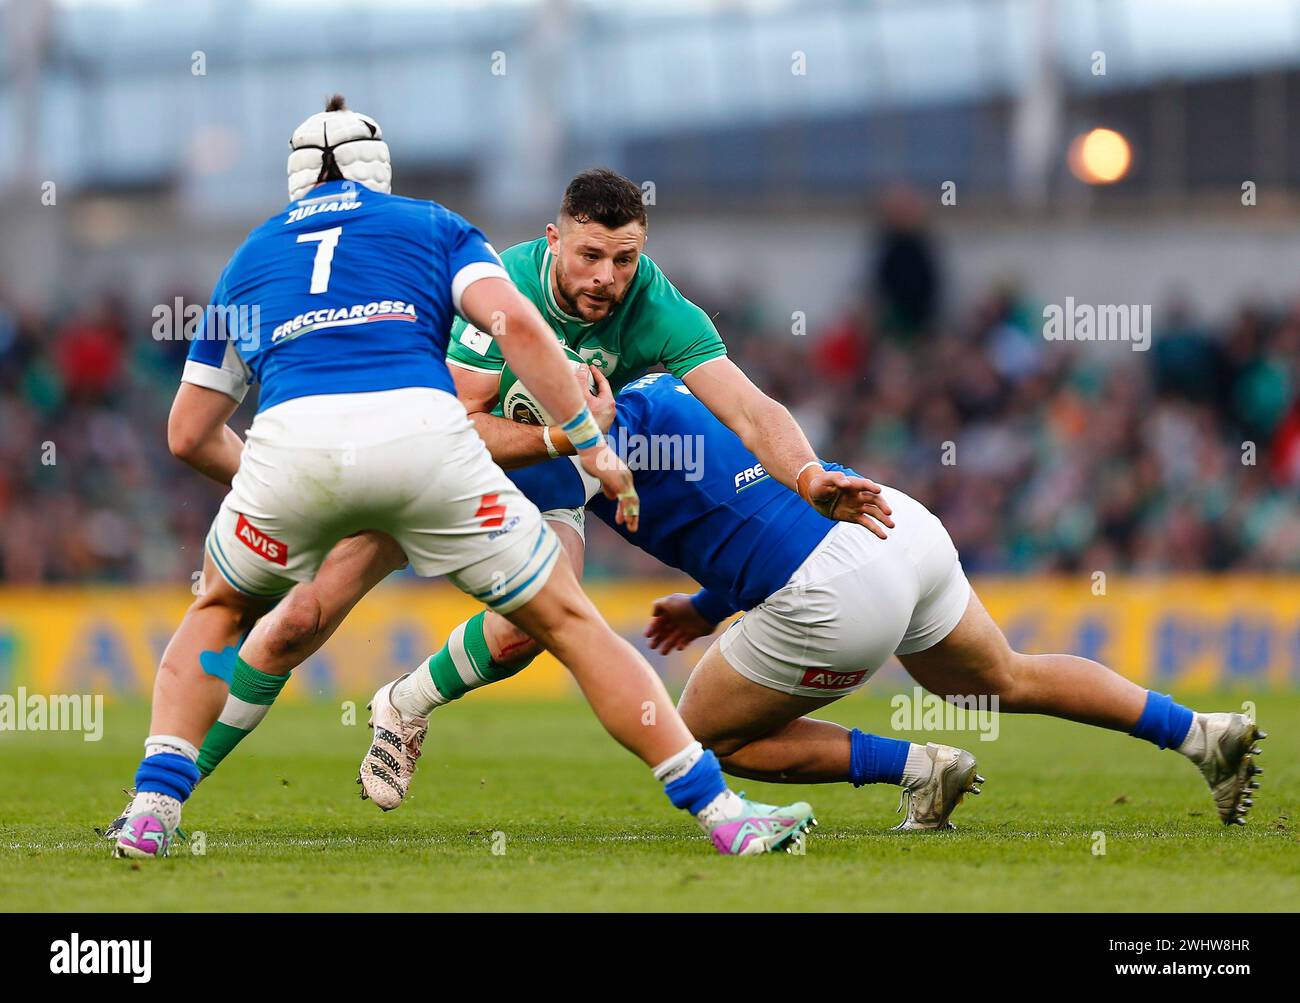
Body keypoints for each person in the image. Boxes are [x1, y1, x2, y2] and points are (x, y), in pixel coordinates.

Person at [111, 96, 815, 861]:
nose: (606, 276)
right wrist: (585, 440)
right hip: (433, 445)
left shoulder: (248, 257)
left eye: (622, 260)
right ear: (382, 174)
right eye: (589, 256)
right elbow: (519, 329)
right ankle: (723, 815)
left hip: (301, 451)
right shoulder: (436, 226)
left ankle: (154, 807)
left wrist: (285, 485)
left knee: (220, 611)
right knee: (572, 627)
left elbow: (186, 432)